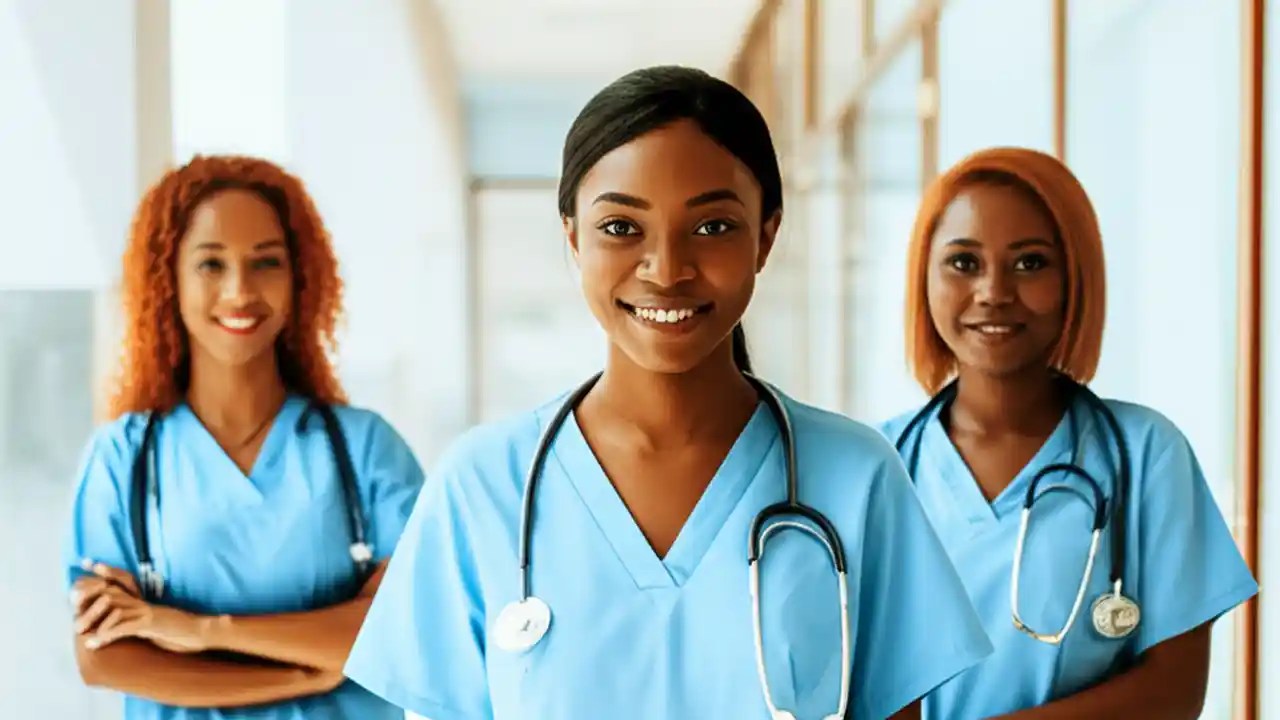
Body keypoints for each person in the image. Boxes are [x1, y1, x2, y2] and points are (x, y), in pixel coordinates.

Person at [343, 65, 992, 720]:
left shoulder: (857, 476)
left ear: (767, 235)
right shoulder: (480, 487)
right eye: (622, 228)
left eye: (712, 228)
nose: (668, 270)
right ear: (572, 237)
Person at [879, 146, 1258, 719]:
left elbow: (1173, 695)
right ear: (923, 277)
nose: (994, 292)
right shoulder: (874, 465)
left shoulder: (1146, 454)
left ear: (1075, 277)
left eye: (1030, 263)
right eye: (963, 263)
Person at [62, 155, 425, 719]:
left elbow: (403, 633)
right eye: (210, 264)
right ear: (168, 281)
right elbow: (106, 658)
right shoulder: (122, 458)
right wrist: (310, 670)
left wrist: (194, 630)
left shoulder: (367, 451)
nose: (239, 290)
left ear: (299, 277)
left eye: (266, 263)